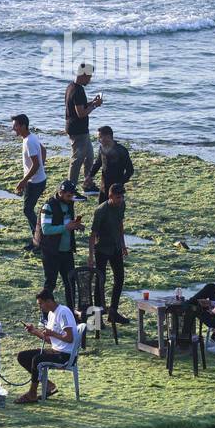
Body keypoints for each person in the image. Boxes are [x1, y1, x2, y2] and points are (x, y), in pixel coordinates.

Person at [14, 289, 77, 404]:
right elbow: (49, 340)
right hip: (56, 350)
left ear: (48, 301)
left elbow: (69, 338)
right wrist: (34, 331)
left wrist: (52, 333)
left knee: (37, 360)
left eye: (40, 304)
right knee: (22, 356)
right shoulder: (51, 314)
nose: (40, 307)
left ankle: (32, 394)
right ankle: (48, 384)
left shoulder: (63, 312)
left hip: (65, 355)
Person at [35, 180, 82, 309]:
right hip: (51, 252)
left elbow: (66, 222)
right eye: (68, 195)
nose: (71, 198)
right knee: (50, 284)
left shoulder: (69, 204)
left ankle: (71, 313)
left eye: (72, 195)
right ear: (60, 193)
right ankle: (45, 315)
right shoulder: (48, 206)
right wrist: (66, 227)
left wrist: (76, 225)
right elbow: (46, 229)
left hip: (66, 252)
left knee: (70, 283)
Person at [89, 182, 130, 324]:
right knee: (100, 281)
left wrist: (123, 245)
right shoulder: (101, 211)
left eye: (122, 197)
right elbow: (93, 234)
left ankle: (113, 311)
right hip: (101, 249)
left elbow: (120, 225)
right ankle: (97, 317)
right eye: (118, 197)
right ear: (110, 196)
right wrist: (90, 256)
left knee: (119, 278)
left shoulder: (122, 205)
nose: (121, 200)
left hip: (116, 247)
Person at [65, 63, 103, 197]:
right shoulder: (78, 90)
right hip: (78, 131)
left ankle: (87, 184)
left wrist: (91, 103)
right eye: (89, 77)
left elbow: (79, 107)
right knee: (77, 160)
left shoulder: (71, 86)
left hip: (79, 129)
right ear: (84, 74)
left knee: (89, 157)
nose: (90, 80)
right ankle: (70, 190)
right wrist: (95, 106)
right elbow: (81, 113)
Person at [11, 114, 47, 252]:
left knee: (27, 210)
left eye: (16, 126)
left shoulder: (29, 142)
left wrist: (23, 181)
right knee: (29, 210)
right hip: (37, 180)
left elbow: (36, 164)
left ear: (23, 126)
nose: (14, 128)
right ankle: (36, 239)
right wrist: (41, 167)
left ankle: (39, 240)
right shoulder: (31, 137)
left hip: (35, 182)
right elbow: (43, 150)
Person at [91, 125, 134, 203]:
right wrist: (90, 176)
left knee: (116, 211)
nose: (99, 140)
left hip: (116, 189)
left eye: (100, 137)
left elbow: (130, 170)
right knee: (101, 210)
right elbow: (98, 163)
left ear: (108, 137)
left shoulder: (121, 151)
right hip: (104, 186)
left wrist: (120, 183)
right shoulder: (102, 148)